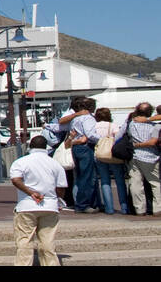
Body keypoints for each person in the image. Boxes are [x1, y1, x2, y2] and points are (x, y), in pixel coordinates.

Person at [9, 135, 68, 266]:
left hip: (26, 206)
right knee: (47, 242)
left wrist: (30, 192)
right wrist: (58, 200)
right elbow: (61, 187)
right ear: (45, 147)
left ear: (31, 146)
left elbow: (15, 180)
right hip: (50, 206)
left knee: (24, 241)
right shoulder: (55, 164)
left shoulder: (21, 162)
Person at [64, 97, 101, 212]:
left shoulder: (75, 119)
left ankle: (89, 203)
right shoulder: (88, 118)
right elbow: (90, 134)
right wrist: (104, 139)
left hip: (76, 148)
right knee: (88, 177)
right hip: (85, 148)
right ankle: (84, 204)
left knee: (81, 176)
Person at [91, 107, 129, 214]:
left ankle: (109, 208)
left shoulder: (94, 126)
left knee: (104, 181)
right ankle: (124, 207)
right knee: (120, 181)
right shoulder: (112, 125)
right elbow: (117, 137)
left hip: (99, 154)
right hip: (112, 154)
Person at [125, 103, 159, 216]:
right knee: (155, 183)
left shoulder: (131, 124)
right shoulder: (155, 126)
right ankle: (158, 208)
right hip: (151, 156)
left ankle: (139, 209)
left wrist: (137, 145)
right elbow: (153, 142)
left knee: (135, 184)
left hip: (134, 156)